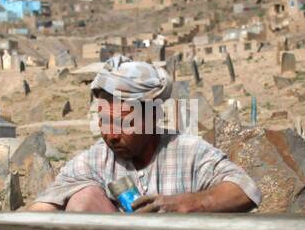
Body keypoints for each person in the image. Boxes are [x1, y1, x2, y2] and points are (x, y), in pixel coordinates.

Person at [27, 56, 260, 214]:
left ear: (152, 118)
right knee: (82, 198)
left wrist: (191, 202)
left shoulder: (189, 151)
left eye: (123, 123)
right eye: (103, 121)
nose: (111, 135)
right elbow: (41, 211)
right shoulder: (94, 161)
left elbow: (244, 190)